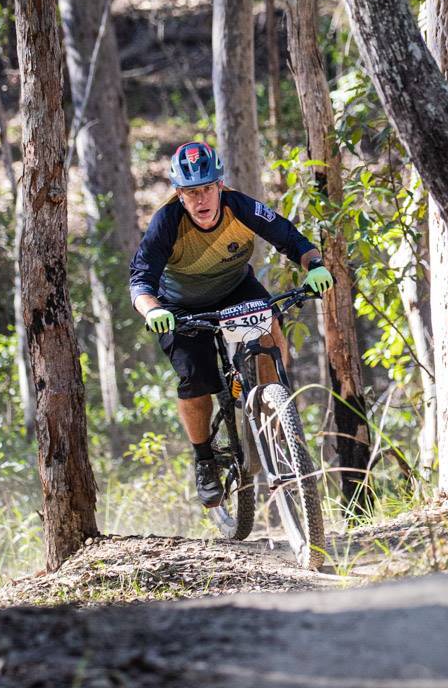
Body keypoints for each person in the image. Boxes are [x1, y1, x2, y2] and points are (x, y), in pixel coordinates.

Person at [129, 140, 335, 508]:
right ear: (179, 194)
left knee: (270, 334)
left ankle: (276, 416)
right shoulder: (166, 222)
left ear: (220, 186)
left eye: (207, 188)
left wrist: (315, 266)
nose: (201, 199)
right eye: (191, 192)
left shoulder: (240, 207)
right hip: (179, 306)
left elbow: (290, 238)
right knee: (196, 380)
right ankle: (204, 460)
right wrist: (153, 311)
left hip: (235, 289)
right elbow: (141, 281)